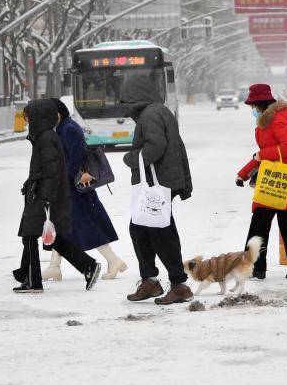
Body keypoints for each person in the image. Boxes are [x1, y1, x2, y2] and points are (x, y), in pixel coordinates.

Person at [119, 72, 195, 305]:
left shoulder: (150, 115)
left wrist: (131, 158)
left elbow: (155, 147)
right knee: (141, 230)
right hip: (161, 183)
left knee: (162, 235)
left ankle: (179, 284)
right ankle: (150, 280)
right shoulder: (158, 111)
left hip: (157, 186)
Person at [13, 99, 100, 293]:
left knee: (29, 235)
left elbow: (52, 173)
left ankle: (33, 282)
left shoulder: (46, 139)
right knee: (52, 238)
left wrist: (44, 198)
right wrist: (30, 184)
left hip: (44, 197)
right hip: (41, 193)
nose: (27, 122)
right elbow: (45, 170)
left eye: (28, 118)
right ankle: (88, 266)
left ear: (38, 117)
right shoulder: (44, 138)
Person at [41, 99, 127, 281]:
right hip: (71, 187)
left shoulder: (69, 128)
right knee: (63, 226)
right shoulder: (63, 127)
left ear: (58, 113)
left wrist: (65, 179)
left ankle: (113, 260)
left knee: (86, 226)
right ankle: (54, 266)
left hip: (74, 188)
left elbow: (78, 154)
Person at [236, 84, 287, 280]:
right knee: (285, 224)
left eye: (253, 106)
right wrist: (243, 174)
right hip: (274, 179)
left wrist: (262, 155)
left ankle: (255, 268)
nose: (252, 111)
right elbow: (260, 156)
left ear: (261, 104)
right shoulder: (269, 120)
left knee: (264, 224)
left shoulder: (277, 120)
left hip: (281, 181)